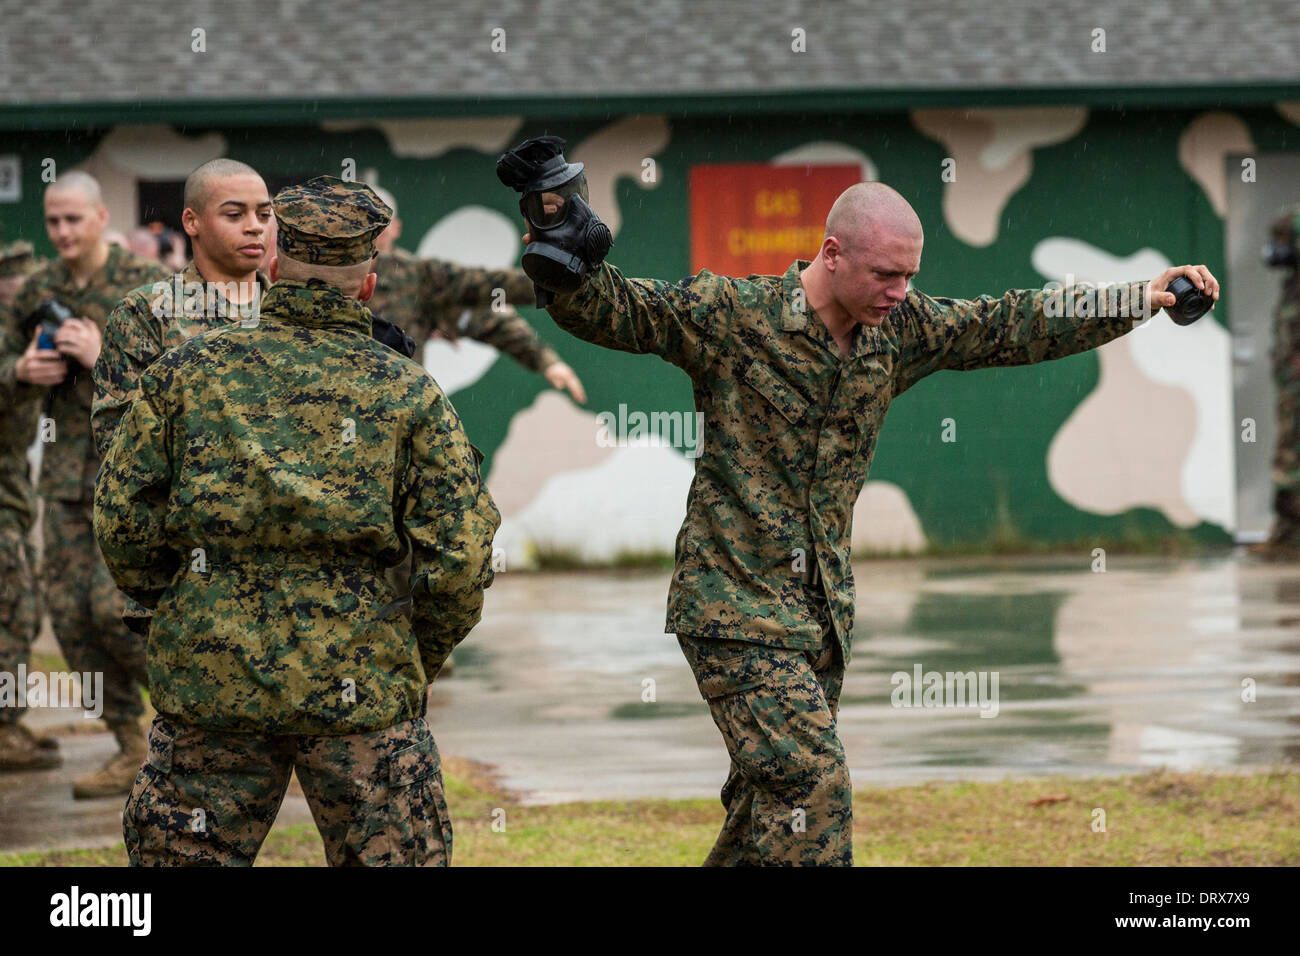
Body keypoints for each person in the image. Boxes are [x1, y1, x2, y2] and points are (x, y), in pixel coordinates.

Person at [533, 178, 1219, 866]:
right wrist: (565, 260)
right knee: (811, 787)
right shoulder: (735, 316)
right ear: (832, 254)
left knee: (764, 812)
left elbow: (1010, 322)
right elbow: (623, 311)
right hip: (731, 608)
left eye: (909, 276)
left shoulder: (897, 333)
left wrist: (1138, 298)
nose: (899, 290)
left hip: (820, 617)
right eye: (886, 274)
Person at [94, 176, 500, 866]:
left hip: (210, 686)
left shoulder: (187, 372)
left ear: (276, 270)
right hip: (362, 686)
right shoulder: (408, 390)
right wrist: (412, 655)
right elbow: (459, 557)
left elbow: (121, 517)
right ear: (368, 285)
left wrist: (189, 608)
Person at [2, 172, 168, 798]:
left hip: (130, 477)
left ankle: (203, 734)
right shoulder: (39, 288)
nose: (64, 232)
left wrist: (107, 359)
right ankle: (131, 746)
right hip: (64, 480)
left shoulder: (143, 285)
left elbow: (183, 374)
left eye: (75, 219)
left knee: (117, 612)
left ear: (102, 216)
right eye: (53, 221)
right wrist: (18, 369)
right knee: (72, 621)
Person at [92, 158, 273, 456]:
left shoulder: (289, 311)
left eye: (264, 215)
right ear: (192, 222)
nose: (254, 227)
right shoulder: (147, 313)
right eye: (234, 215)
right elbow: (119, 444)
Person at [368, 186, 586, 404]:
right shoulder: (336, 277)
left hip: (396, 410)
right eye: (365, 220)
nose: (372, 231)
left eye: (380, 222)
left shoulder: (417, 278)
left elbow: (486, 307)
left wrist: (546, 360)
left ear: (395, 228)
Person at [0, 240, 58, 771]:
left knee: (21, 606)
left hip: (15, 487)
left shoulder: (31, 328)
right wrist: (13, 374)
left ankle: (9, 722)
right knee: (11, 607)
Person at [1263, 207, 1300, 555]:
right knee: (1288, 454)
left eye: (1284, 241)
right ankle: (1288, 533)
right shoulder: (1292, 283)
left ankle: (1289, 534)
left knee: (1290, 457)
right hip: (1290, 386)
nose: (1277, 250)